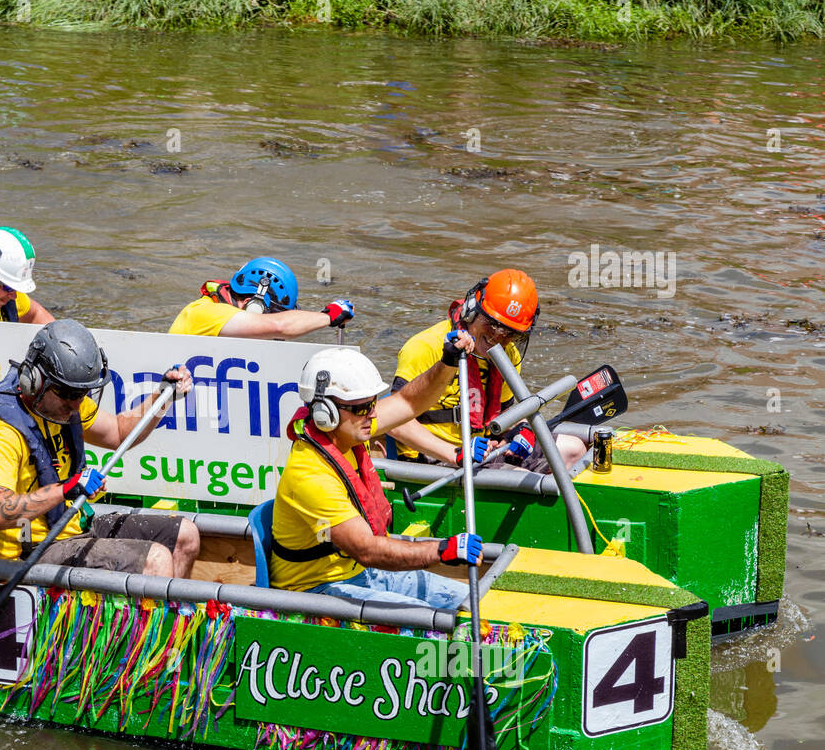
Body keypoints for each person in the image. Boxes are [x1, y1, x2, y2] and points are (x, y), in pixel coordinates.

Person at [0, 319, 200, 576]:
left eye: (82, 394)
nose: (75, 404)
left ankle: (174, 613)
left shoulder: (69, 401)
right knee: (155, 560)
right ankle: (146, 614)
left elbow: (119, 432)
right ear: (34, 381)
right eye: (68, 394)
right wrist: (66, 489)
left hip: (76, 526)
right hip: (32, 551)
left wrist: (162, 396)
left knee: (186, 535)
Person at [269, 343, 484, 611]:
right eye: (362, 407)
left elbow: (409, 401)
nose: (372, 413)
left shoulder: (351, 427)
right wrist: (441, 550)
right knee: (425, 617)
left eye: (373, 403)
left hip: (359, 572)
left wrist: (448, 362)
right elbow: (368, 550)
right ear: (326, 413)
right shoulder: (309, 474)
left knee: (472, 601)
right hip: (314, 589)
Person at [384, 269, 587, 472]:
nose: (498, 338)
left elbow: (507, 412)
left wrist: (522, 429)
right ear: (472, 310)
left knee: (574, 450)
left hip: (483, 447)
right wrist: (455, 453)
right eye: (493, 325)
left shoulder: (508, 353)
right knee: (521, 477)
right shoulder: (424, 346)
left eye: (511, 333)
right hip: (435, 456)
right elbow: (393, 423)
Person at [169, 256, 354, 340]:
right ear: (255, 305)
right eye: (272, 313)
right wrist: (329, 316)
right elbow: (279, 326)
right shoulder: (207, 312)